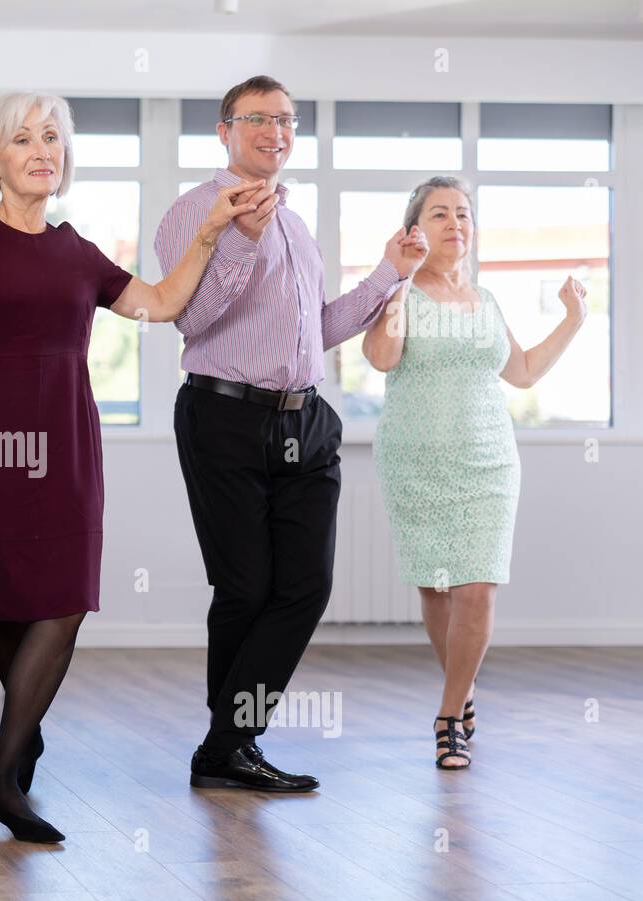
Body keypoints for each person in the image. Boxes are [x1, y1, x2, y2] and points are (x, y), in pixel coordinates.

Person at [0, 92, 259, 842]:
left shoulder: (76, 250)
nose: (42, 149)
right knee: (11, 604)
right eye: (23, 139)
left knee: (63, 598)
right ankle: (15, 749)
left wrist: (212, 232)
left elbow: (157, 304)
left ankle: (1, 768)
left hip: (65, 440)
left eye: (53, 137)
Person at [154, 75, 428, 792]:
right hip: (223, 414)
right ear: (224, 130)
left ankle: (225, 743)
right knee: (244, 587)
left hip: (304, 419)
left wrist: (389, 276)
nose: (276, 131)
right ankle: (230, 746)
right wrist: (238, 240)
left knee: (305, 582)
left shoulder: (295, 225)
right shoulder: (192, 213)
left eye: (287, 120)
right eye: (258, 119)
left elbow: (320, 330)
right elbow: (193, 318)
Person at [364, 176, 587, 769]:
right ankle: (461, 695)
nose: (455, 223)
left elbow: (524, 373)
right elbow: (381, 358)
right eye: (439, 213)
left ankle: (447, 717)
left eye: (463, 213)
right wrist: (399, 280)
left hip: (488, 460)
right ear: (415, 229)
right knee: (438, 591)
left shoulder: (486, 302)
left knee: (478, 588)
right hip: (416, 458)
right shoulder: (402, 293)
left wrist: (573, 320)